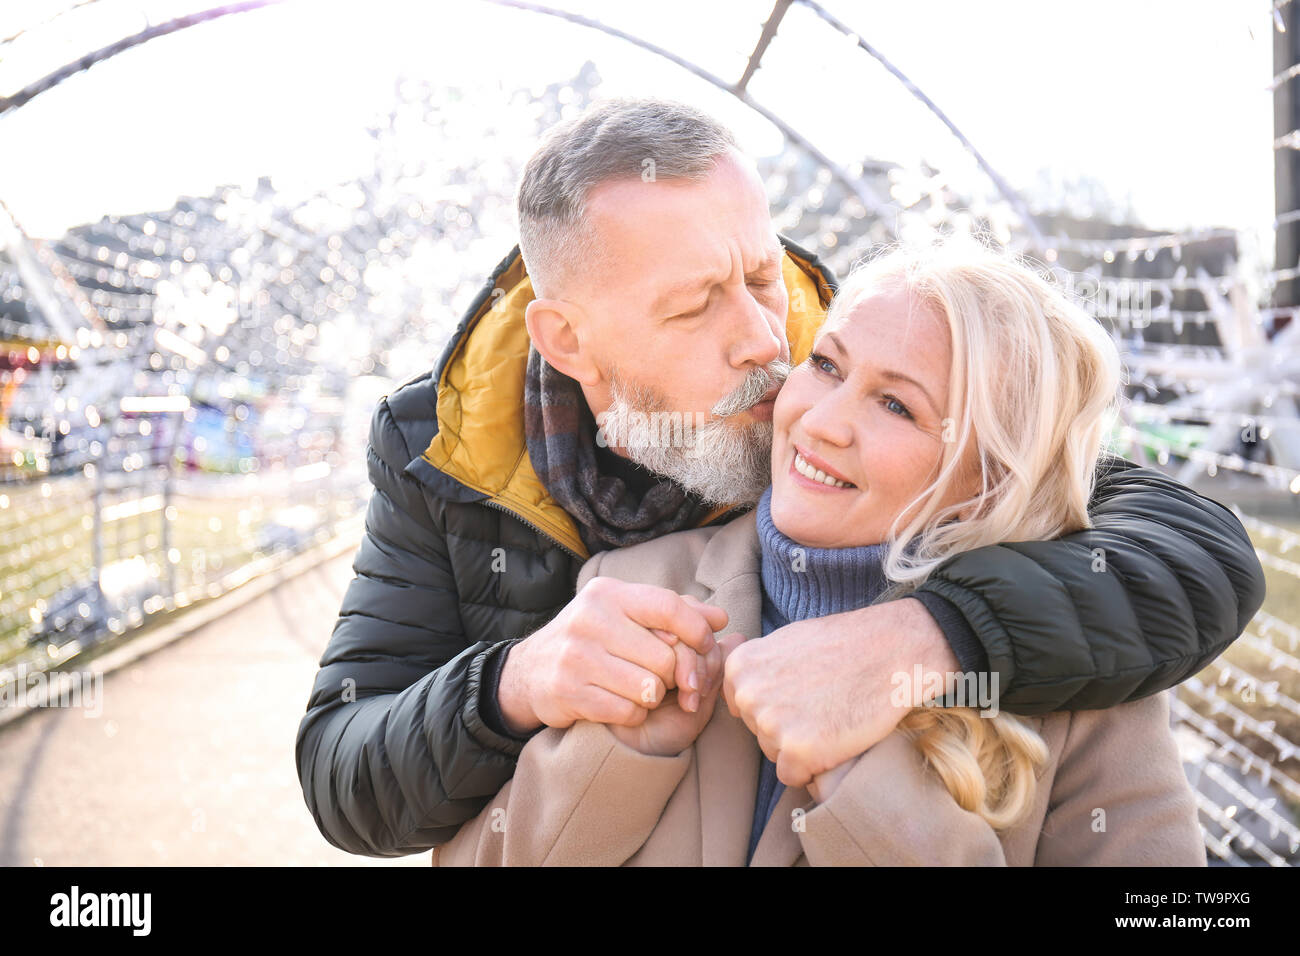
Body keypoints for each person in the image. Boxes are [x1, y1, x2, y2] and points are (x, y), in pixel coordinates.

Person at [295, 97, 1264, 858]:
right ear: (568, 341)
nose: (768, 342)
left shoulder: (858, 341)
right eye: (694, 307)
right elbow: (349, 769)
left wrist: (930, 635)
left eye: (761, 275)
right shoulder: (443, 453)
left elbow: (1174, 540)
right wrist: (513, 682)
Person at [431, 238, 1209, 866]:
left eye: (898, 405)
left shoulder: (1087, 689)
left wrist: (860, 782)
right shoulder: (628, 586)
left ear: (989, 478)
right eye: (828, 365)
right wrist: (619, 757)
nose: (821, 421)